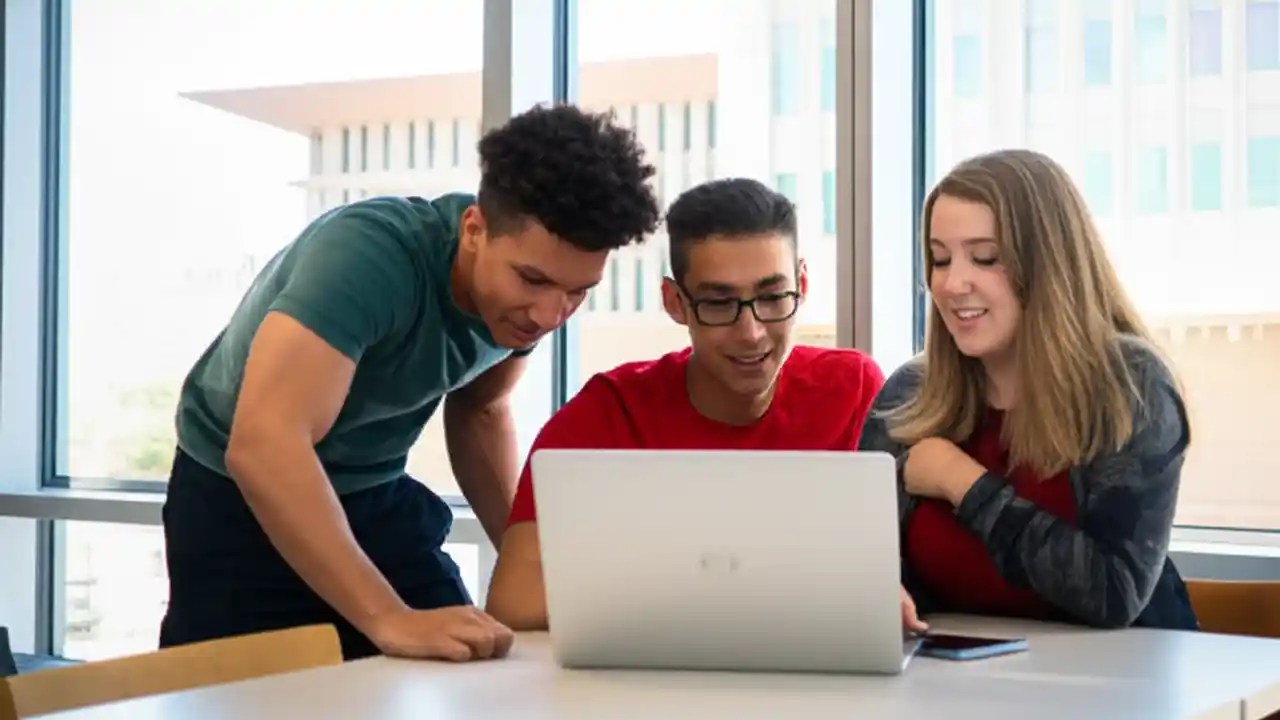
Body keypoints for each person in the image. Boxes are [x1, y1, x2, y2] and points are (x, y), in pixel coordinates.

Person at [158, 104, 662, 662]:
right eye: (533, 279)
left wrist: (534, 567)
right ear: (475, 230)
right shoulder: (367, 256)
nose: (548, 314)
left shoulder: (525, 303)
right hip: (233, 496)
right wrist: (388, 618)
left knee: (477, 654)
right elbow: (263, 446)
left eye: (576, 291)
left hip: (373, 493)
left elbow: (482, 411)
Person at [484, 177, 887, 631]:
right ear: (676, 303)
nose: (751, 332)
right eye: (719, 303)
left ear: (803, 284)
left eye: (773, 298)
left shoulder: (854, 389)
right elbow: (512, 600)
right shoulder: (609, 414)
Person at [859, 148, 1198, 631]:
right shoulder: (909, 393)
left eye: (985, 258)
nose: (953, 283)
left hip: (1116, 688)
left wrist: (964, 483)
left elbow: (1113, 592)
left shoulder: (1130, 385)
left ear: (1049, 265)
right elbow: (863, 558)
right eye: (939, 259)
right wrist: (874, 590)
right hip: (954, 686)